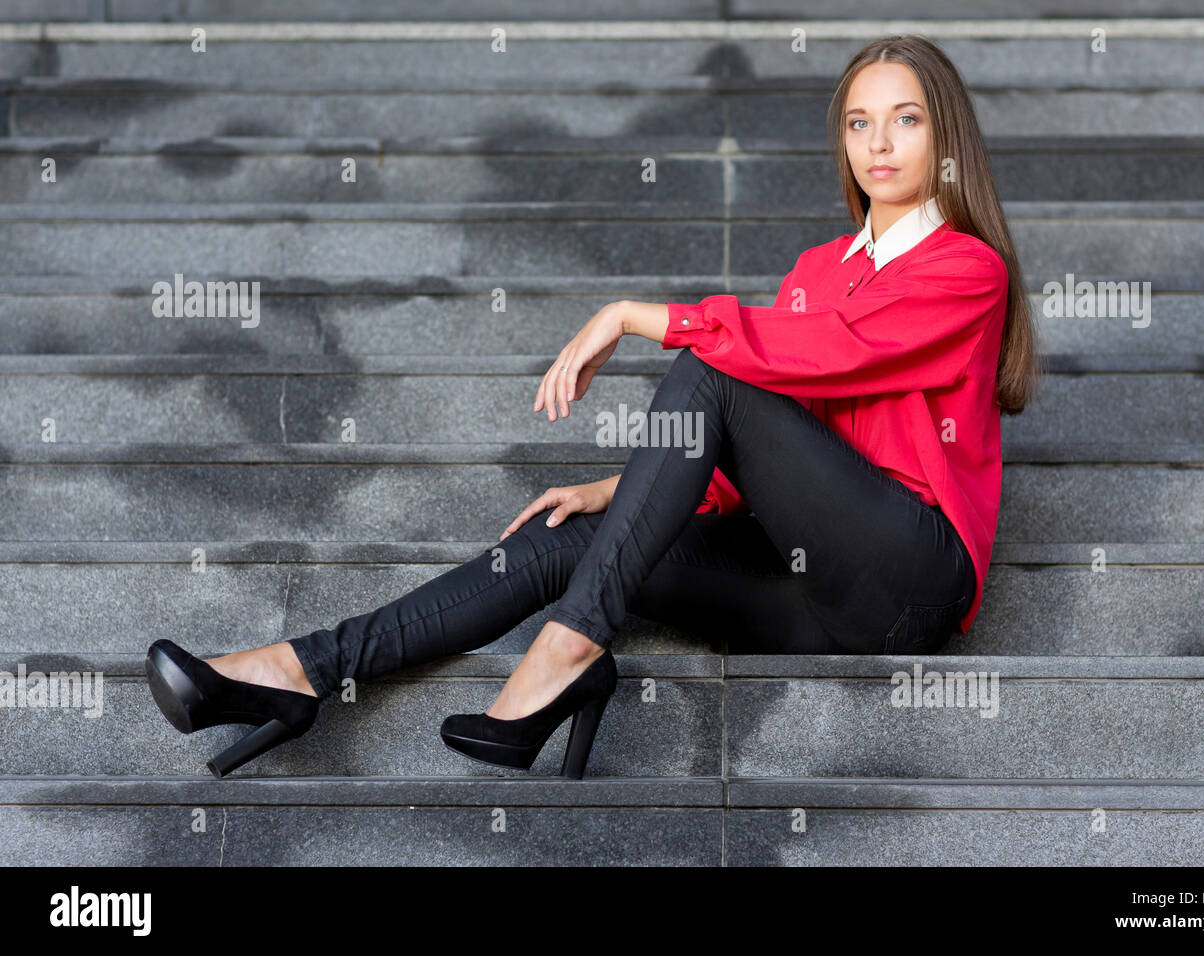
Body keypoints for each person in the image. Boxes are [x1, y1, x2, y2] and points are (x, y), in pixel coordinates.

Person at [145, 34, 1042, 781]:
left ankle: (569, 647)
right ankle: (303, 669)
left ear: (946, 138)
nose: (879, 143)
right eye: (859, 122)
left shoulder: (968, 269)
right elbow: (769, 450)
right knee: (559, 536)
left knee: (714, 366)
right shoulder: (819, 271)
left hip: (909, 577)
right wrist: (623, 488)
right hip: (805, 590)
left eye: (906, 119)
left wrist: (636, 315)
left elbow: (825, 355)